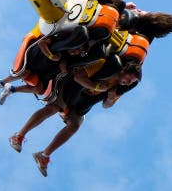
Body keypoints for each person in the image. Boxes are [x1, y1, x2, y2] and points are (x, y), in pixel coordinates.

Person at [9, 60, 142, 177]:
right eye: (130, 79)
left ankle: (43, 155)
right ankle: (19, 136)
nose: (128, 83)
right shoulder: (105, 64)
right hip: (70, 86)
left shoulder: (118, 87)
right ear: (124, 70)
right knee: (54, 108)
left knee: (74, 126)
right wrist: (97, 87)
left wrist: (111, 99)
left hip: (82, 103)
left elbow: (106, 106)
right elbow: (78, 78)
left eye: (131, 83)